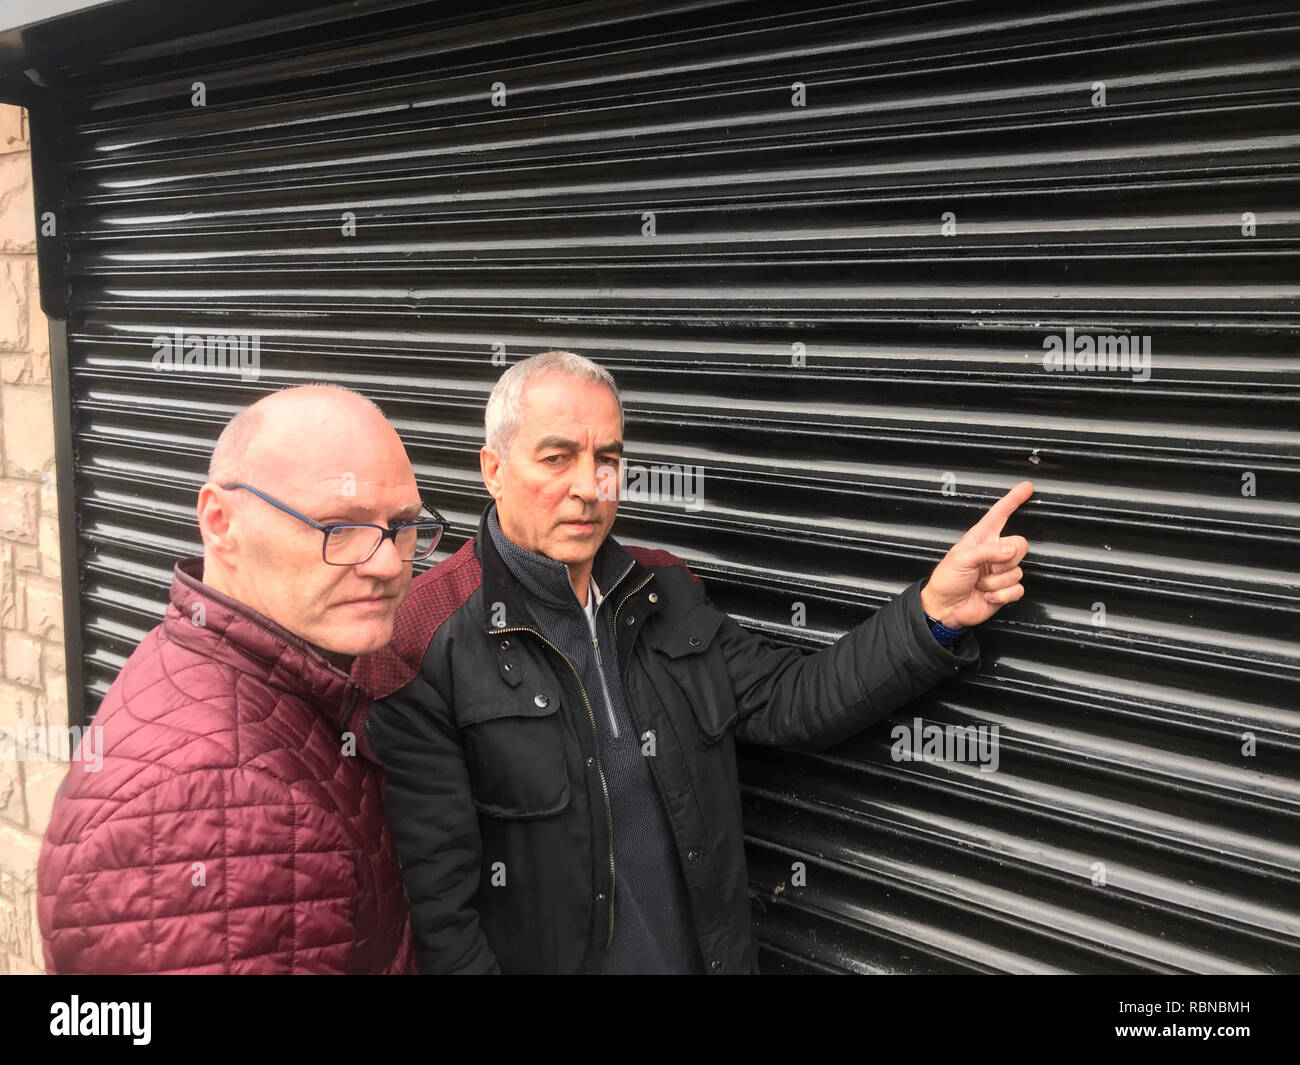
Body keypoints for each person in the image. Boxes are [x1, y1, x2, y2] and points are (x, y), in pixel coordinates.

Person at [355, 351, 1032, 974]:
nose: (590, 487)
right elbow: (439, 916)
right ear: (493, 468)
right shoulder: (422, 634)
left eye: (607, 458)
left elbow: (795, 699)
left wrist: (931, 613)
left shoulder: (663, 591)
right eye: (557, 458)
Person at [37, 384, 443, 974]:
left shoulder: (221, 666)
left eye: (401, 525)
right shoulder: (222, 805)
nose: (386, 562)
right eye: (337, 527)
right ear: (220, 522)